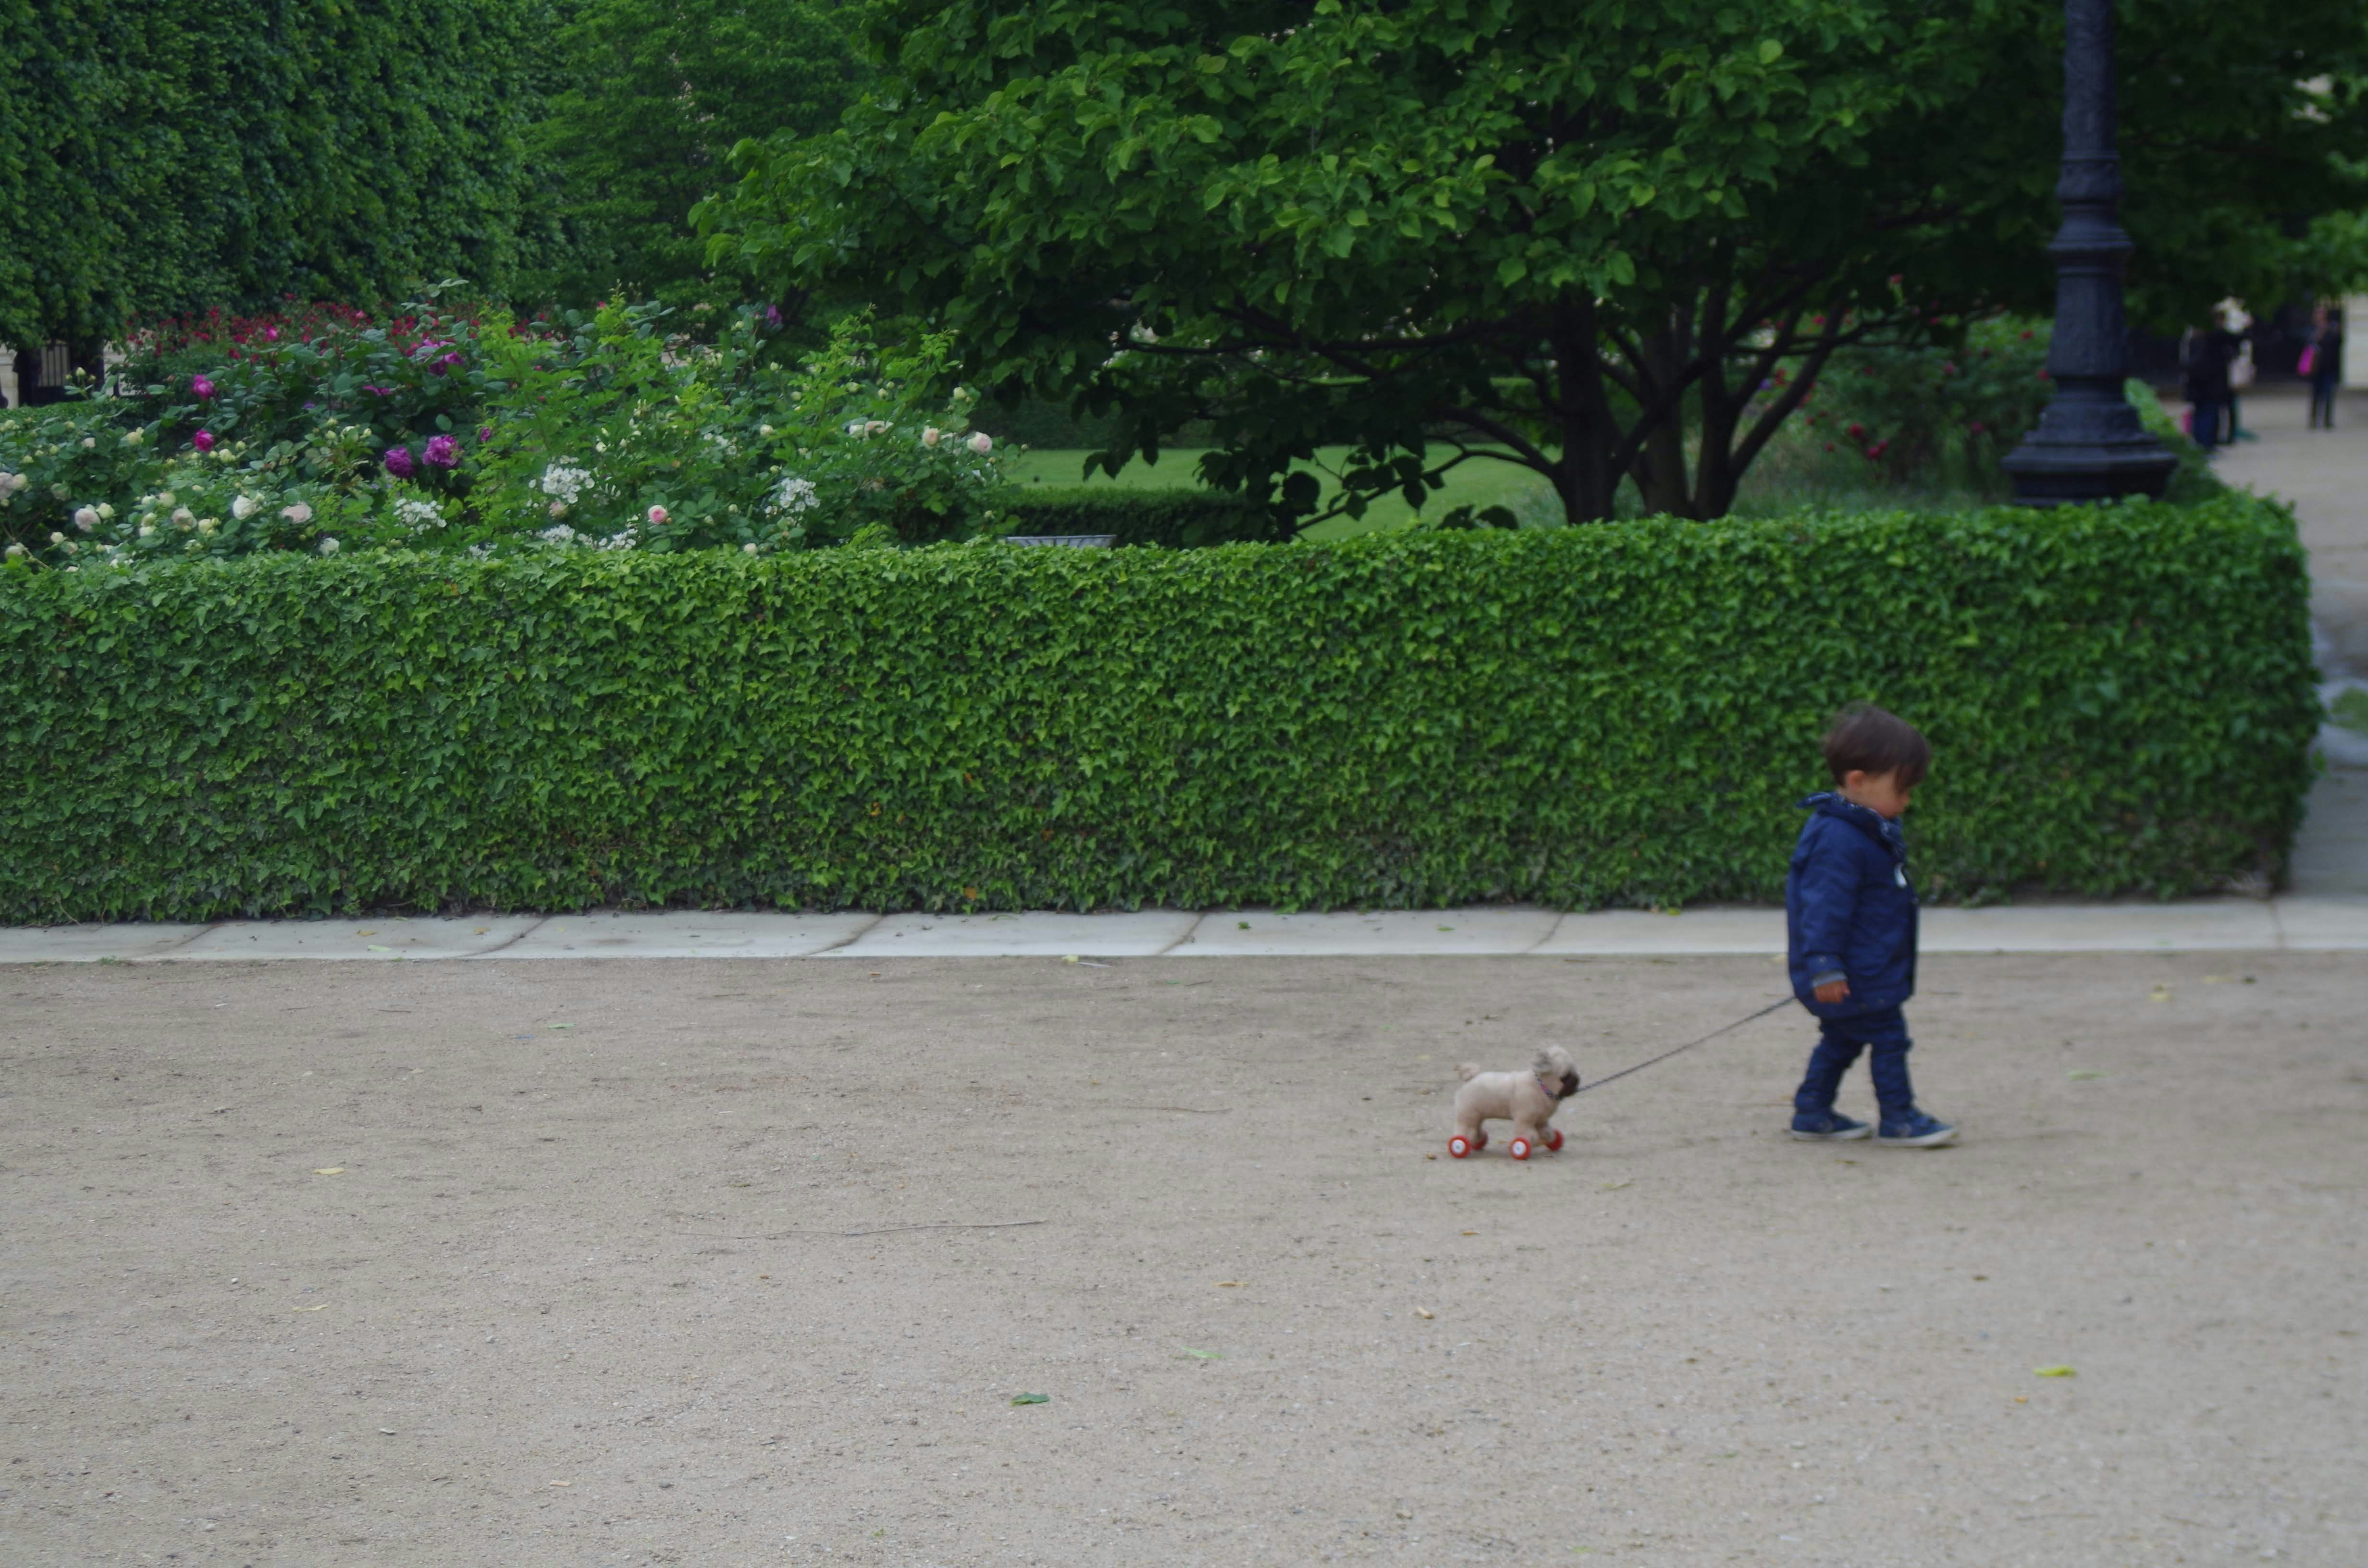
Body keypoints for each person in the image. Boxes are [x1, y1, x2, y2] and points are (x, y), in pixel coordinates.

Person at [1784, 706, 1956, 1148]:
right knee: (1889, 1040)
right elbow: (1822, 907)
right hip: (1858, 973)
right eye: (1902, 790)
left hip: (1865, 968)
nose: (1907, 801)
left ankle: (1812, 1111)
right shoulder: (1839, 839)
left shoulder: (1863, 829)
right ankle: (1899, 1119)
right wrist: (1824, 965)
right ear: (1859, 782)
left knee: (1841, 1040)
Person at [2181, 313, 2236, 451]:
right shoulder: (2213, 338)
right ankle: (2207, 444)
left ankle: (2200, 443)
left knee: (2200, 412)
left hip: (2196, 383)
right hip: (2211, 383)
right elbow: (2235, 339)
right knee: (2209, 413)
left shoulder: (2193, 339)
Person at [2306, 304, 2345, 430]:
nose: (2319, 316)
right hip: (2316, 367)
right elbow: (2308, 345)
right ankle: (2314, 420)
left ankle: (2328, 420)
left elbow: (2338, 343)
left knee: (2328, 394)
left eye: (2321, 313)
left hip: (2329, 366)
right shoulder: (2313, 330)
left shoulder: (2332, 329)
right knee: (2316, 395)